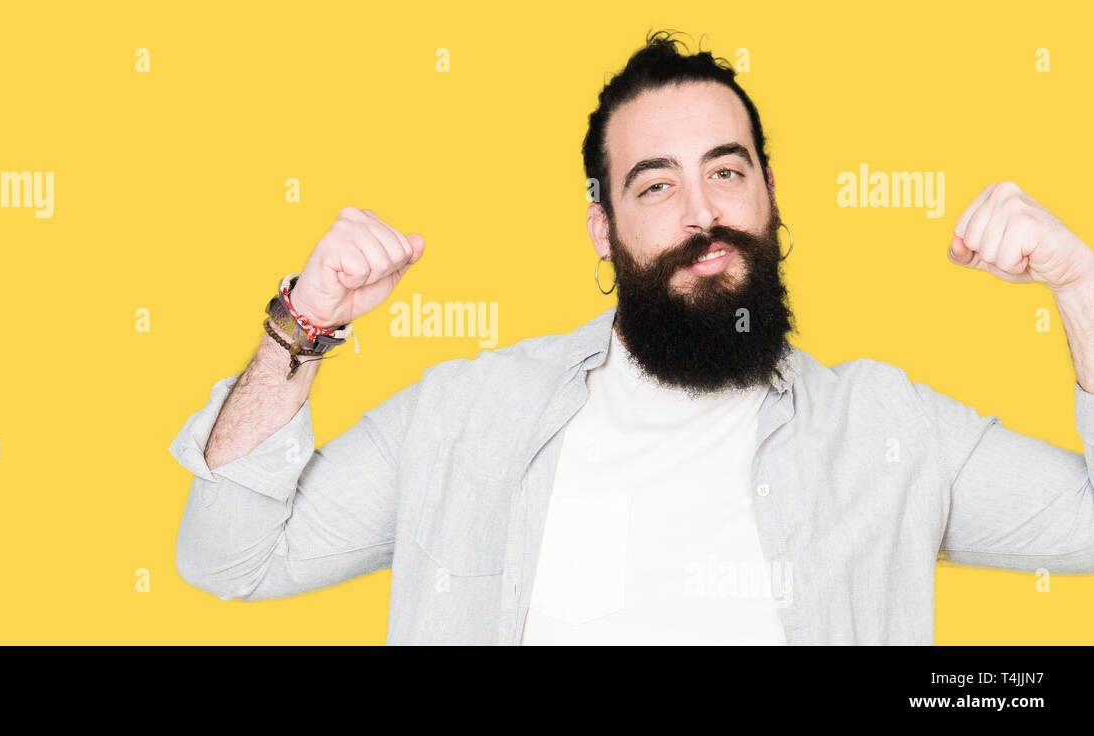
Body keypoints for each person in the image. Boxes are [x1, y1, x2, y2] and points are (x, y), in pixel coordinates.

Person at [169, 30, 1094, 644]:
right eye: (654, 185)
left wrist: (1080, 282)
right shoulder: (463, 419)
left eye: (726, 172)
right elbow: (229, 560)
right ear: (603, 229)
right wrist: (306, 322)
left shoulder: (891, 431)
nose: (703, 214)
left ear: (768, 194)